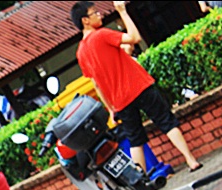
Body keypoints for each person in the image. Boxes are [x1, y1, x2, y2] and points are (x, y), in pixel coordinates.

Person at [71, 1, 202, 174]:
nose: (99, 15)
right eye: (94, 13)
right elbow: (135, 37)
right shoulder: (101, 35)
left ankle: (142, 180)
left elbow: (96, 82)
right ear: (85, 20)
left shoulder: (81, 52)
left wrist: (110, 108)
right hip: (138, 86)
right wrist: (122, 12)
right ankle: (190, 160)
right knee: (165, 121)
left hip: (120, 101)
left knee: (135, 140)